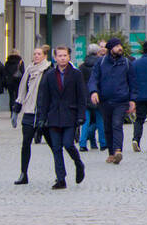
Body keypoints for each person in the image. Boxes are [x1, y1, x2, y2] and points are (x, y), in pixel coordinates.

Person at [35, 46, 87, 189]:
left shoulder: (76, 74)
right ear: (55, 58)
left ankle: (78, 163)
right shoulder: (50, 75)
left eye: (65, 55)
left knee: (68, 144)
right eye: (60, 56)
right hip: (53, 116)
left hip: (70, 115)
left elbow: (82, 96)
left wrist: (81, 115)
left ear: (69, 57)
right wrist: (42, 117)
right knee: (56, 148)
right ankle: (60, 178)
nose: (62, 58)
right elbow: (44, 98)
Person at [88, 38, 136, 164]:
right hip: (105, 100)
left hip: (121, 100)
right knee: (107, 127)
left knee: (117, 124)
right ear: (111, 49)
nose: (120, 48)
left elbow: (132, 82)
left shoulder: (126, 63)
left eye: (121, 45)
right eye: (117, 46)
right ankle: (111, 153)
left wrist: (132, 100)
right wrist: (93, 91)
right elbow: (93, 78)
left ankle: (117, 150)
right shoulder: (101, 62)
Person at [12, 47, 51, 185]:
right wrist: (16, 109)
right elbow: (22, 90)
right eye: (34, 54)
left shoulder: (48, 70)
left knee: (54, 145)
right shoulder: (29, 70)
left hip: (43, 114)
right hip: (29, 111)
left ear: (45, 56)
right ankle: (23, 174)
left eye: (39, 54)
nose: (36, 56)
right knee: (25, 144)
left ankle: (61, 174)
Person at [78, 45, 105, 151]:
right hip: (97, 95)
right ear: (97, 52)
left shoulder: (82, 66)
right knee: (100, 121)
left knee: (85, 122)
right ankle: (103, 143)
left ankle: (82, 143)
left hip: (85, 97)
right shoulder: (101, 65)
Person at [3, 53, 24, 122]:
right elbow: (22, 71)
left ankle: (12, 111)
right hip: (18, 81)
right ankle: (16, 110)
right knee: (17, 96)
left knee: (11, 96)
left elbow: (5, 72)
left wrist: (5, 82)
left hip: (9, 82)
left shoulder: (7, 62)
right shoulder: (20, 61)